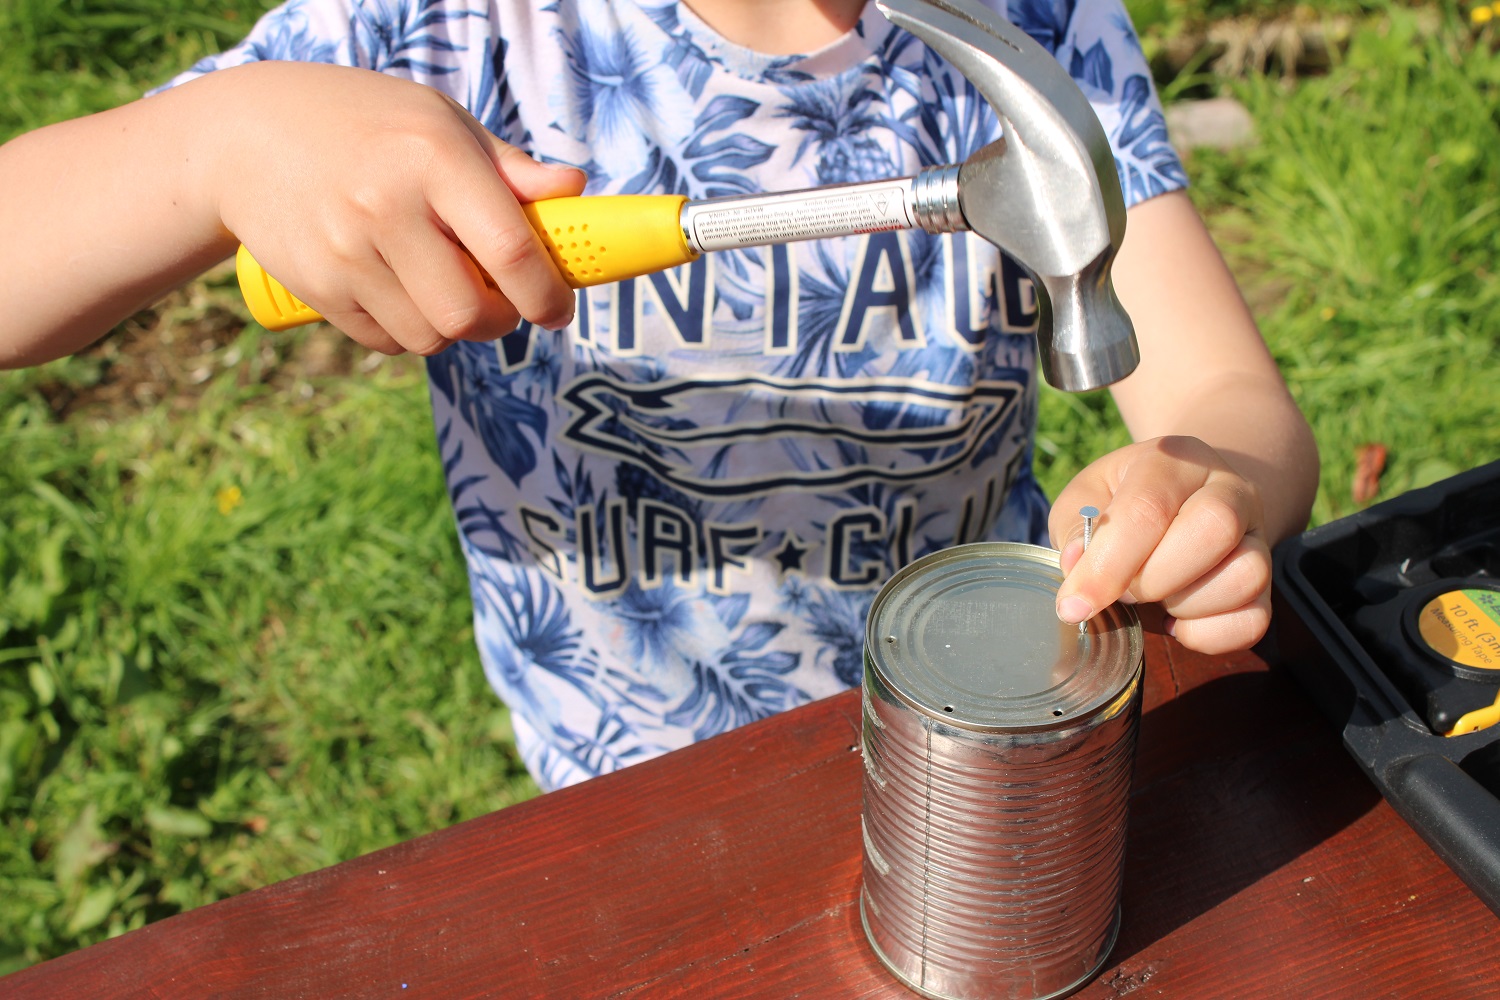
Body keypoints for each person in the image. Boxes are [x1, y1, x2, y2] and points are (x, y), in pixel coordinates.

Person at [0, 0, 1318, 790]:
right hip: (613, 768)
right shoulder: (456, 28)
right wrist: (215, 140)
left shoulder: (1037, 24)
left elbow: (1224, 396)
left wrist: (1212, 485)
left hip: (968, 723)